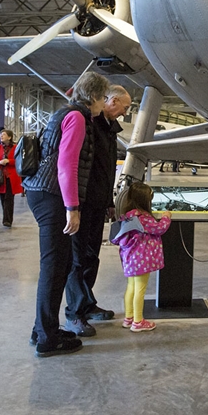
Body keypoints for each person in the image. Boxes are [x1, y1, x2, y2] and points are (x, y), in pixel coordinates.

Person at [22, 72, 111, 357]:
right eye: (104, 97)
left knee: (57, 266)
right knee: (54, 267)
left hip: (43, 193)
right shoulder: (78, 117)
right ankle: (47, 338)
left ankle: (43, 329)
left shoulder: (65, 112)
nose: (104, 104)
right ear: (95, 97)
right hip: (53, 197)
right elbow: (67, 165)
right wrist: (73, 208)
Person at [63, 84, 133, 334]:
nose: (124, 113)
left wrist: (109, 202)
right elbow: (73, 167)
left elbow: (104, 169)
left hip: (97, 203)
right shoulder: (86, 122)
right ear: (111, 101)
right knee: (77, 260)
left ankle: (87, 303)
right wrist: (73, 206)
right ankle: (74, 314)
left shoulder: (108, 127)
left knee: (92, 256)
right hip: (81, 204)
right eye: (124, 108)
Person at [114, 181, 171, 333]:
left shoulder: (127, 217)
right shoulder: (144, 218)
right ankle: (138, 321)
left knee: (131, 287)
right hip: (141, 261)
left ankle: (129, 318)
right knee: (140, 289)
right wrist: (166, 217)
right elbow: (159, 228)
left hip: (129, 259)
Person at [0, 129, 22, 227]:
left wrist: (9, 161)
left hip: (11, 177)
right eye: (1, 135)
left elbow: (19, 160)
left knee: (9, 198)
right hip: (1, 177)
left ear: (9, 137)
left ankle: (7, 220)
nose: (1, 136)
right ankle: (6, 216)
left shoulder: (16, 147)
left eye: (3, 135)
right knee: (2, 198)